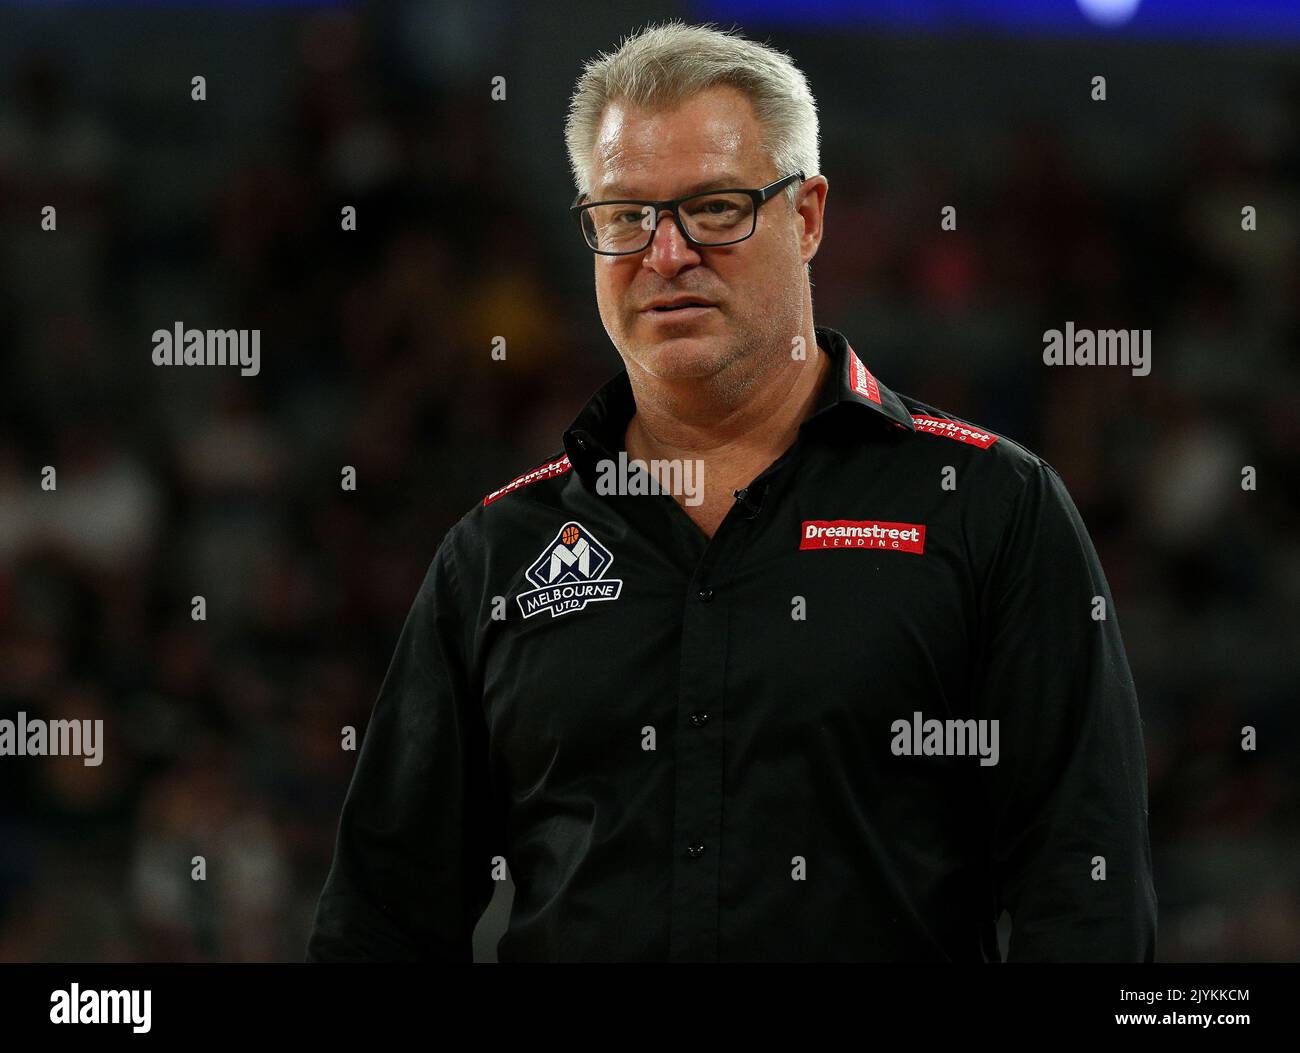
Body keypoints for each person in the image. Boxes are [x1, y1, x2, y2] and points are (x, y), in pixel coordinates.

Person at [306, 20, 1156, 962]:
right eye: (625, 215)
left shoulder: (990, 507)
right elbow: (379, 922)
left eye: (714, 208)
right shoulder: (496, 552)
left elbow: (1087, 895)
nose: (665, 253)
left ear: (808, 216)